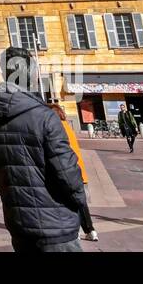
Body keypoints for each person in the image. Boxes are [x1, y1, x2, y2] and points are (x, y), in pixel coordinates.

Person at [0, 48, 85, 253]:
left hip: (18, 223)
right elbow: (69, 176)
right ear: (29, 73)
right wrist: (79, 203)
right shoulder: (45, 117)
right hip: (57, 224)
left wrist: (14, 194)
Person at [48, 103, 98, 242]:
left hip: (66, 170)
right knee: (81, 202)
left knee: (67, 203)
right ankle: (90, 230)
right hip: (78, 170)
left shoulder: (54, 128)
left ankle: (74, 232)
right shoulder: (68, 127)